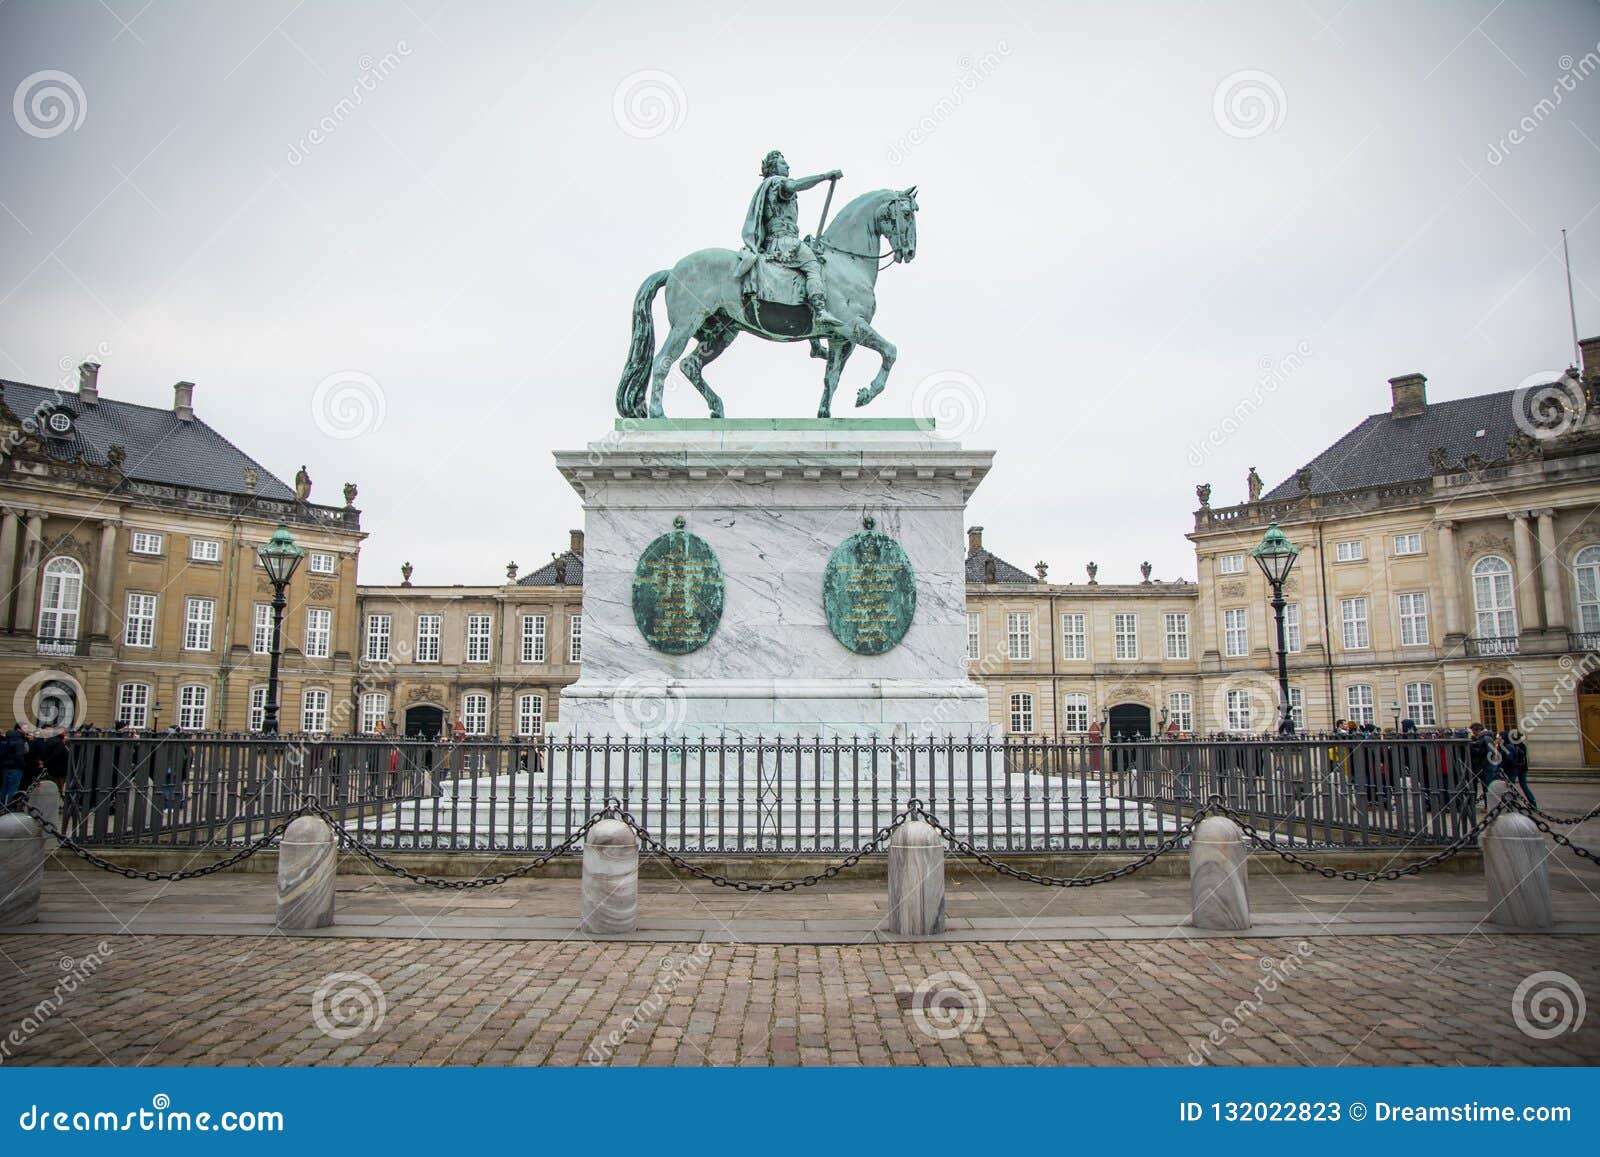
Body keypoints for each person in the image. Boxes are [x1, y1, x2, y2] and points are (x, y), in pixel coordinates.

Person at [741, 150, 844, 327]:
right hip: (783, 242)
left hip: (782, 240)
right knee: (813, 265)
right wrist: (824, 176)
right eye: (783, 163)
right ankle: (819, 311)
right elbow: (794, 185)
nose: (788, 166)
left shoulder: (768, 186)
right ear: (774, 168)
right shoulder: (777, 183)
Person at [1501, 728, 1535, 806]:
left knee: (1511, 786)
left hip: (1516, 768)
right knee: (1523, 785)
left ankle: (1514, 802)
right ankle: (1532, 801)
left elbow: (1511, 758)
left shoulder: (1512, 746)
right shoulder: (1522, 745)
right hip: (1523, 768)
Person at [0, 722, 27, 805]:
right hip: (16, 767)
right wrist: (23, 766)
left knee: (4, 788)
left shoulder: (7, 739)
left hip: (6, 766)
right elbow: (19, 756)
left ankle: (1, 806)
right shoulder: (19, 740)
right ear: (19, 729)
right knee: (12, 789)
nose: (26, 730)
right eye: (25, 728)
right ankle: (9, 807)